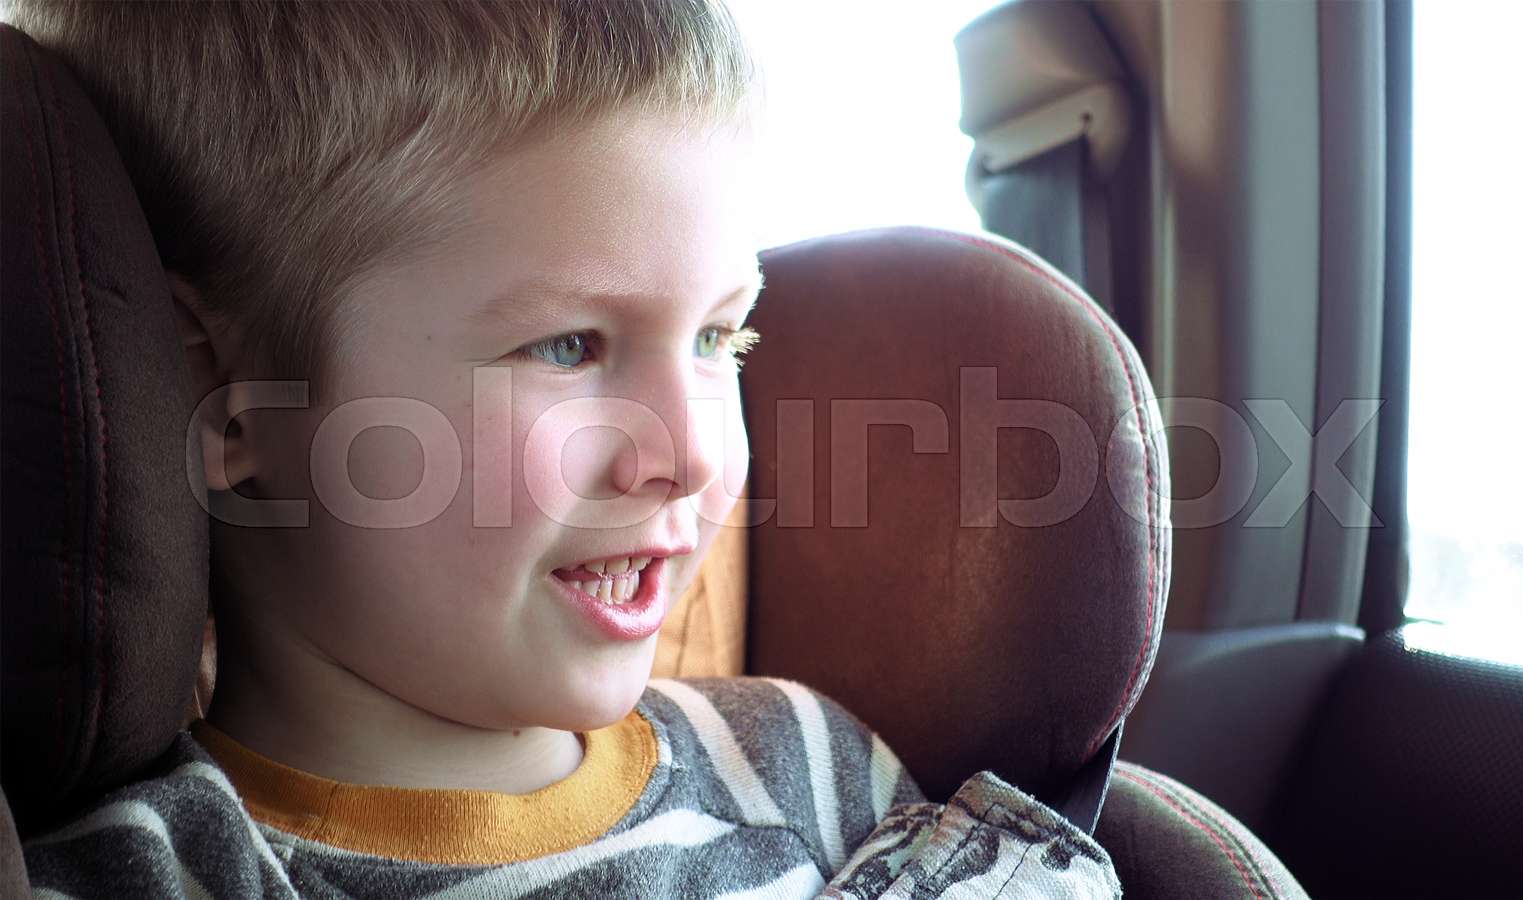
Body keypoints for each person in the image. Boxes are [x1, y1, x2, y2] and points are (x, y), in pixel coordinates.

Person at [9, 2, 1121, 896]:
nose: (684, 453)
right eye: (569, 346)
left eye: (720, 338)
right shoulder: (155, 874)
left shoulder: (807, 768)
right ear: (227, 397)